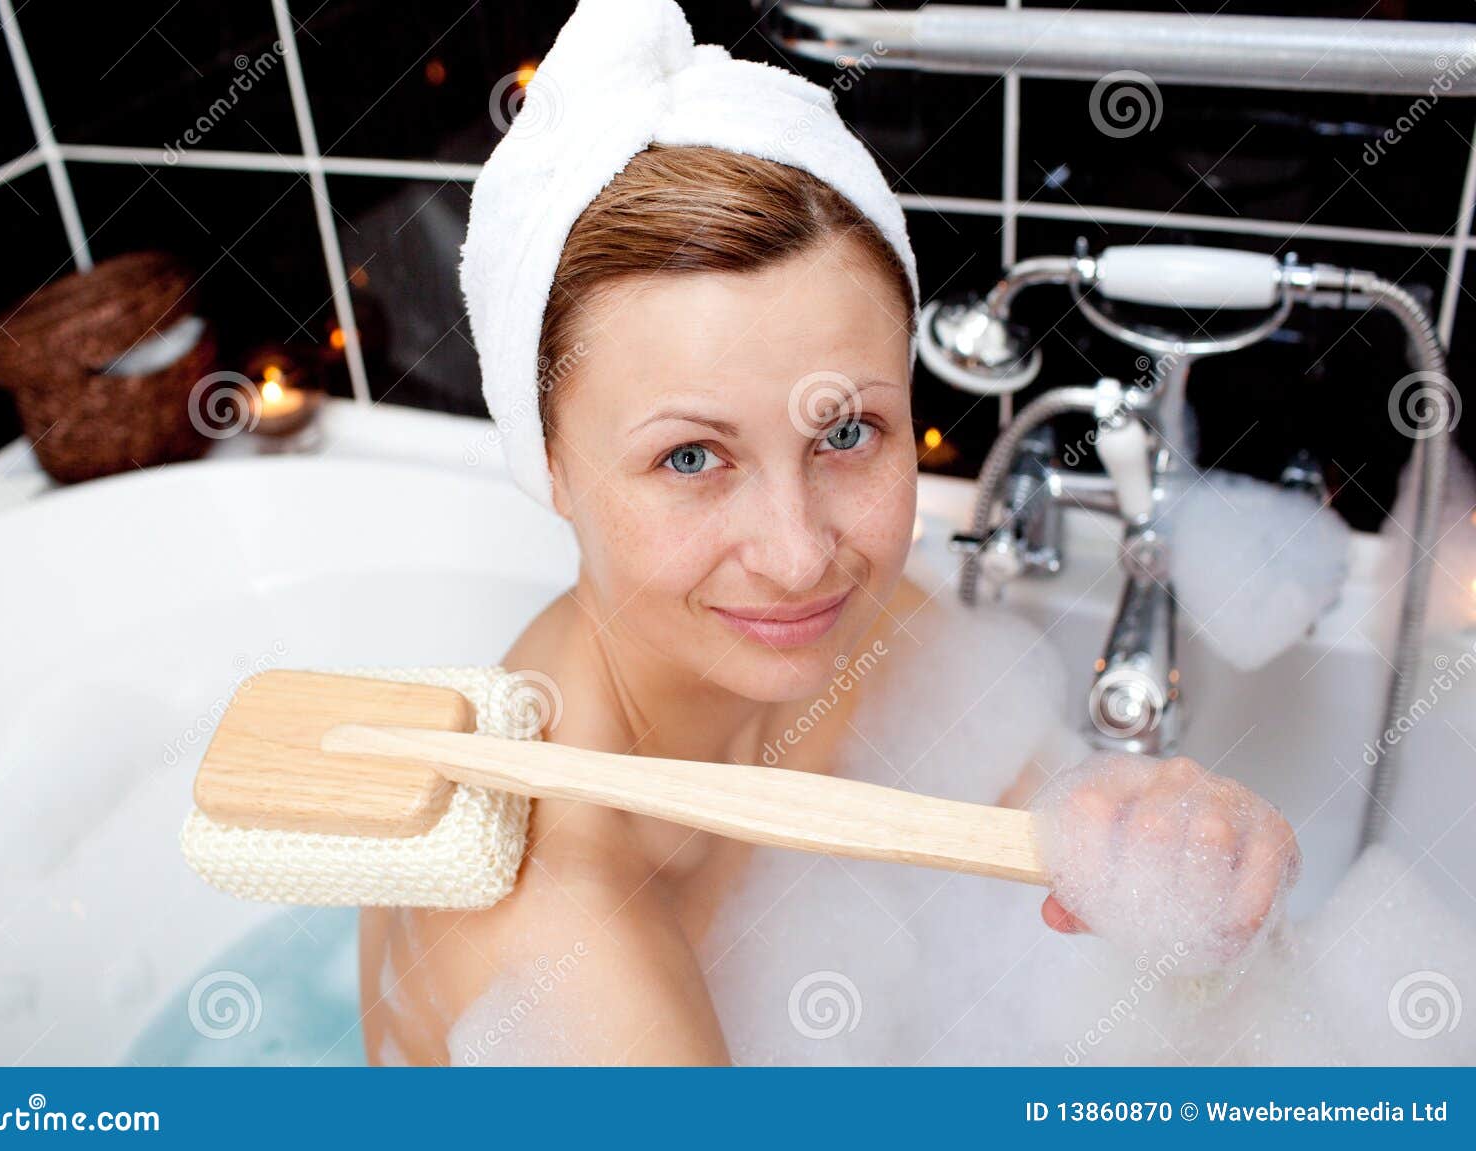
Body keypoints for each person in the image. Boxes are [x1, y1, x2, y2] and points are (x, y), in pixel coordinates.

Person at [359, 2, 1297, 1066]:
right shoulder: (563, 952)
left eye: (846, 431)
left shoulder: (845, 634)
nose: (800, 554)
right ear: (551, 469)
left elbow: (1051, 826)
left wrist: (1169, 849)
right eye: (690, 457)